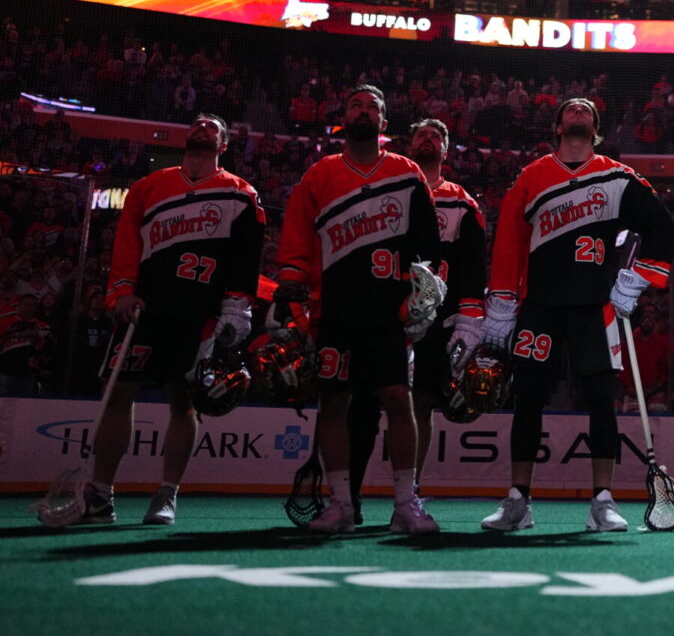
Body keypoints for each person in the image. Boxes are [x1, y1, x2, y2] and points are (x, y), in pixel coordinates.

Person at [480, 97, 674, 533]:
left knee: (601, 402)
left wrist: (636, 278)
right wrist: (500, 300)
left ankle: (602, 503)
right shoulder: (530, 178)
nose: (578, 110)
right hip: (540, 306)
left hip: (595, 306)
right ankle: (518, 500)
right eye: (571, 108)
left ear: (596, 128)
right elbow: (509, 241)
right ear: (556, 126)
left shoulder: (618, 176)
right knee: (528, 397)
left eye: (586, 109)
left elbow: (664, 228)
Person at [74, 115, 264, 526]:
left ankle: (166, 494)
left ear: (224, 144)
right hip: (145, 309)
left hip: (199, 314)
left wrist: (236, 306)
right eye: (198, 124)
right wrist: (121, 292)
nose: (203, 129)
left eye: (213, 127)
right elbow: (126, 245)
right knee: (119, 393)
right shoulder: (148, 187)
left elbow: (245, 261)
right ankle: (101, 495)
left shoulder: (240, 194)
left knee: (184, 403)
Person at [273, 85, 442, 536]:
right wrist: (292, 291)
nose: (364, 112)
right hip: (336, 312)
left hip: (389, 311)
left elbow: (427, 245)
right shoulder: (319, 176)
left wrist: (423, 294)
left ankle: (407, 503)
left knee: (397, 400)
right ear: (343, 117)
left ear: (384, 123)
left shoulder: (407, 173)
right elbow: (297, 242)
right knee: (334, 403)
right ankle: (341, 504)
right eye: (356, 105)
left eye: (373, 107)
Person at [346, 118, 485, 523]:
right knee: (366, 404)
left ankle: (409, 497)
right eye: (421, 134)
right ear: (409, 144)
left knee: (420, 402)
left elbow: (473, 269)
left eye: (436, 136)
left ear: (446, 150)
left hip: (436, 321)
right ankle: (349, 496)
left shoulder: (462, 202)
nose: (428, 139)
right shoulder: (387, 187)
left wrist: (468, 321)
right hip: (381, 310)